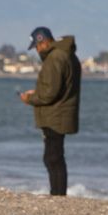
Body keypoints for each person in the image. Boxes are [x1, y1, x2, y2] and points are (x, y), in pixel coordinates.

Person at [19, 26, 81, 196]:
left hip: (55, 116)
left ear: (43, 41)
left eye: (37, 46)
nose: (37, 51)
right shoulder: (68, 55)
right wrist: (37, 93)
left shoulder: (54, 58)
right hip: (62, 113)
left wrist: (30, 99)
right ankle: (58, 194)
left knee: (53, 158)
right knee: (55, 157)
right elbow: (56, 88)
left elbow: (49, 93)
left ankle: (58, 195)